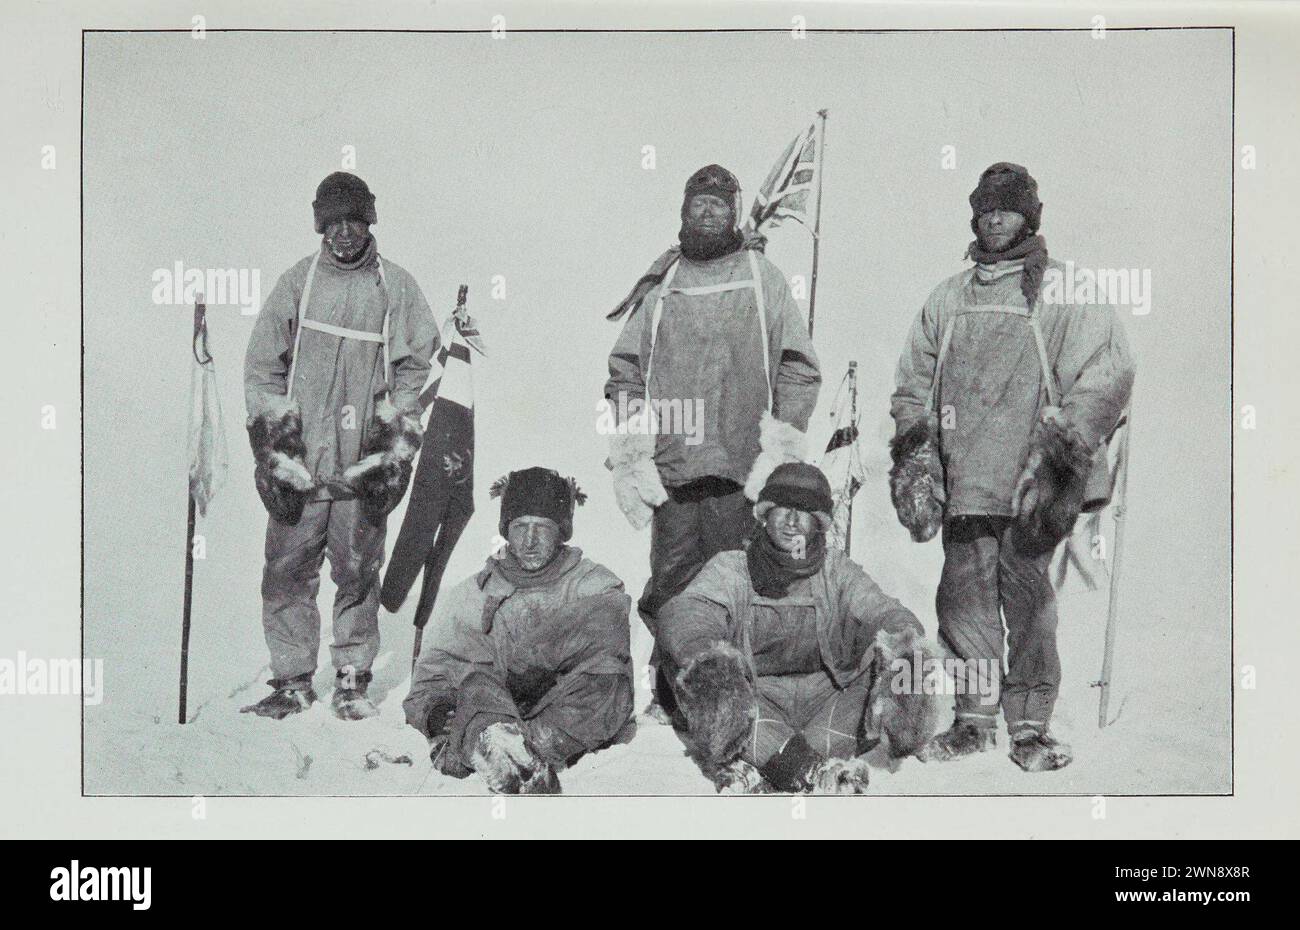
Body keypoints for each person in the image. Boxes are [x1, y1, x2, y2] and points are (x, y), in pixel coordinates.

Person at [889, 162, 1136, 771]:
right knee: (964, 605)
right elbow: (914, 384)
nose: (996, 218)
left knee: (1027, 605)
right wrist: (918, 453)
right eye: (987, 209)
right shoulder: (948, 297)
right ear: (975, 217)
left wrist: (1065, 443)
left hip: (1029, 485)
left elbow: (1110, 369)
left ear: (1030, 216)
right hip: (965, 481)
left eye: (1009, 208)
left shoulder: (1062, 290)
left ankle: (1029, 726)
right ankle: (974, 720)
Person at [604, 164, 822, 721]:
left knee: (738, 578)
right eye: (699, 203)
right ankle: (672, 690)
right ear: (685, 211)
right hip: (673, 465)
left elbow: (798, 365)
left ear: (734, 214)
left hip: (740, 463)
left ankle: (737, 689)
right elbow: (626, 368)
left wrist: (782, 440)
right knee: (673, 580)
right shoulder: (665, 282)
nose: (708, 212)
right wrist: (632, 442)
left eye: (719, 205)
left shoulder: (760, 276)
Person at [241, 171, 438, 720]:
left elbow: (414, 367)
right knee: (286, 570)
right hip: (301, 464)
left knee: (356, 569)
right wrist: (276, 446)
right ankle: (292, 679)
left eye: (355, 221)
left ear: (369, 222)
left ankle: (352, 675)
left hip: (358, 466)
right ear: (320, 226)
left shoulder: (393, 286)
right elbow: (261, 367)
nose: (345, 234)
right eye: (334, 223)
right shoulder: (298, 283)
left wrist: (390, 445)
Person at [657, 463, 942, 794]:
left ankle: (776, 764)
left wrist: (905, 648)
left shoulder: (836, 569)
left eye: (804, 511)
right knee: (717, 693)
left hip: (826, 699)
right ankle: (806, 768)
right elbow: (690, 610)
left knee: (883, 662)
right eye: (783, 508)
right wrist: (703, 651)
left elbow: (882, 610)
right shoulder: (733, 567)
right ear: (765, 514)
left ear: (818, 523)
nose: (792, 520)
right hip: (756, 698)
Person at [403, 467, 634, 794]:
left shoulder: (592, 583)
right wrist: (435, 711)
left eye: (542, 527)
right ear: (505, 531)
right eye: (520, 526)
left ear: (562, 531)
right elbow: (433, 671)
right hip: (494, 709)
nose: (529, 540)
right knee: (476, 687)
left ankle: (512, 753)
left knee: (608, 685)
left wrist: (531, 665)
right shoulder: (473, 593)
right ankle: (504, 754)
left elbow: (607, 647)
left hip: (566, 711)